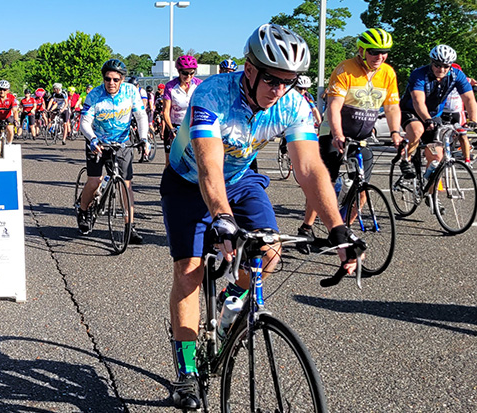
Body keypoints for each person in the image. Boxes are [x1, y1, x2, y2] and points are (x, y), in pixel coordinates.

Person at [161, 24, 364, 409]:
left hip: (241, 180)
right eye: (273, 79)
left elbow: (309, 167)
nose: (280, 90)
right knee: (189, 270)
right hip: (189, 183)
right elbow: (208, 164)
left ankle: (231, 300)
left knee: (269, 251)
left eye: (290, 81)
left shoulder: (294, 104)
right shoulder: (212, 93)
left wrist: (338, 228)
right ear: (249, 69)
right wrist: (221, 217)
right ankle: (186, 372)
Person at [295, 28, 402, 252]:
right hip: (333, 133)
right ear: (362, 50)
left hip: (362, 138)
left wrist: (395, 133)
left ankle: (342, 231)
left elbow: (392, 106)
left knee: (362, 190)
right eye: (374, 52)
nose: (379, 57)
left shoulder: (387, 73)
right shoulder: (345, 69)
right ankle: (306, 228)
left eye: (384, 52)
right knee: (324, 183)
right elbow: (334, 106)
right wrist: (336, 134)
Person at [75, 59, 147, 244]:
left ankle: (129, 228)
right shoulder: (95, 95)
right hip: (97, 142)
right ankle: (83, 211)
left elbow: (140, 116)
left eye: (116, 79)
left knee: (126, 185)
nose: (111, 83)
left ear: (122, 79)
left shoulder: (131, 92)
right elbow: (84, 122)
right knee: (94, 181)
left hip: (122, 143)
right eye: (107, 79)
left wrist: (144, 139)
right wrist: (92, 139)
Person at [398, 45, 477, 186]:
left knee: (437, 157)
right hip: (411, 111)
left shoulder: (456, 75)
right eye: (437, 65)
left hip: (434, 114)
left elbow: (469, 99)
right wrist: (427, 119)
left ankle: (431, 195)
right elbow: (418, 101)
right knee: (417, 130)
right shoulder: (419, 74)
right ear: (431, 62)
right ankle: (405, 159)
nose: (441, 70)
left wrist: (474, 120)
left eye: (446, 66)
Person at [162, 55, 202, 164]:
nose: (189, 76)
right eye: (185, 73)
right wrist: (171, 129)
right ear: (179, 71)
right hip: (174, 126)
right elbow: (165, 112)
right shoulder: (170, 87)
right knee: (170, 163)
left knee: (195, 162)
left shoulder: (199, 84)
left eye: (192, 73)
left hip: (192, 126)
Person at [0, 80, 19, 154]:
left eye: (4, 90)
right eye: (0, 89)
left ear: (8, 90)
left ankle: (9, 144)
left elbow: (15, 111)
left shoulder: (12, 98)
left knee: (10, 129)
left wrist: (16, 120)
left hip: (7, 116)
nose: (2, 91)